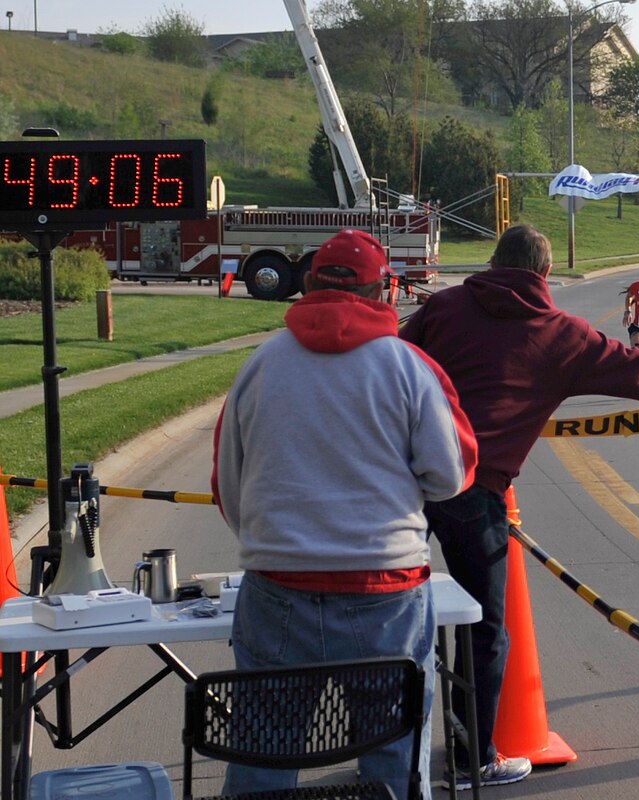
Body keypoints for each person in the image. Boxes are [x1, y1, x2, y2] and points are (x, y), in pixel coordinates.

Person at [399, 224, 639, 791]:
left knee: (391, 614)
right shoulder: (560, 333)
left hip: (401, 482)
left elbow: (391, 364)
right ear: (544, 276)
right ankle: (472, 761)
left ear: (492, 261)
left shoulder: (443, 307)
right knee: (485, 629)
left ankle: (394, 751)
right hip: (473, 490)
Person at [212, 229, 478, 800]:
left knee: (264, 751)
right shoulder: (409, 367)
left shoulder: (260, 365)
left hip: (277, 585)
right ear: (382, 293)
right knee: (392, 755)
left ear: (308, 284)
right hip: (386, 589)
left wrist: (272, 540)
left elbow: (228, 486)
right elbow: (450, 474)